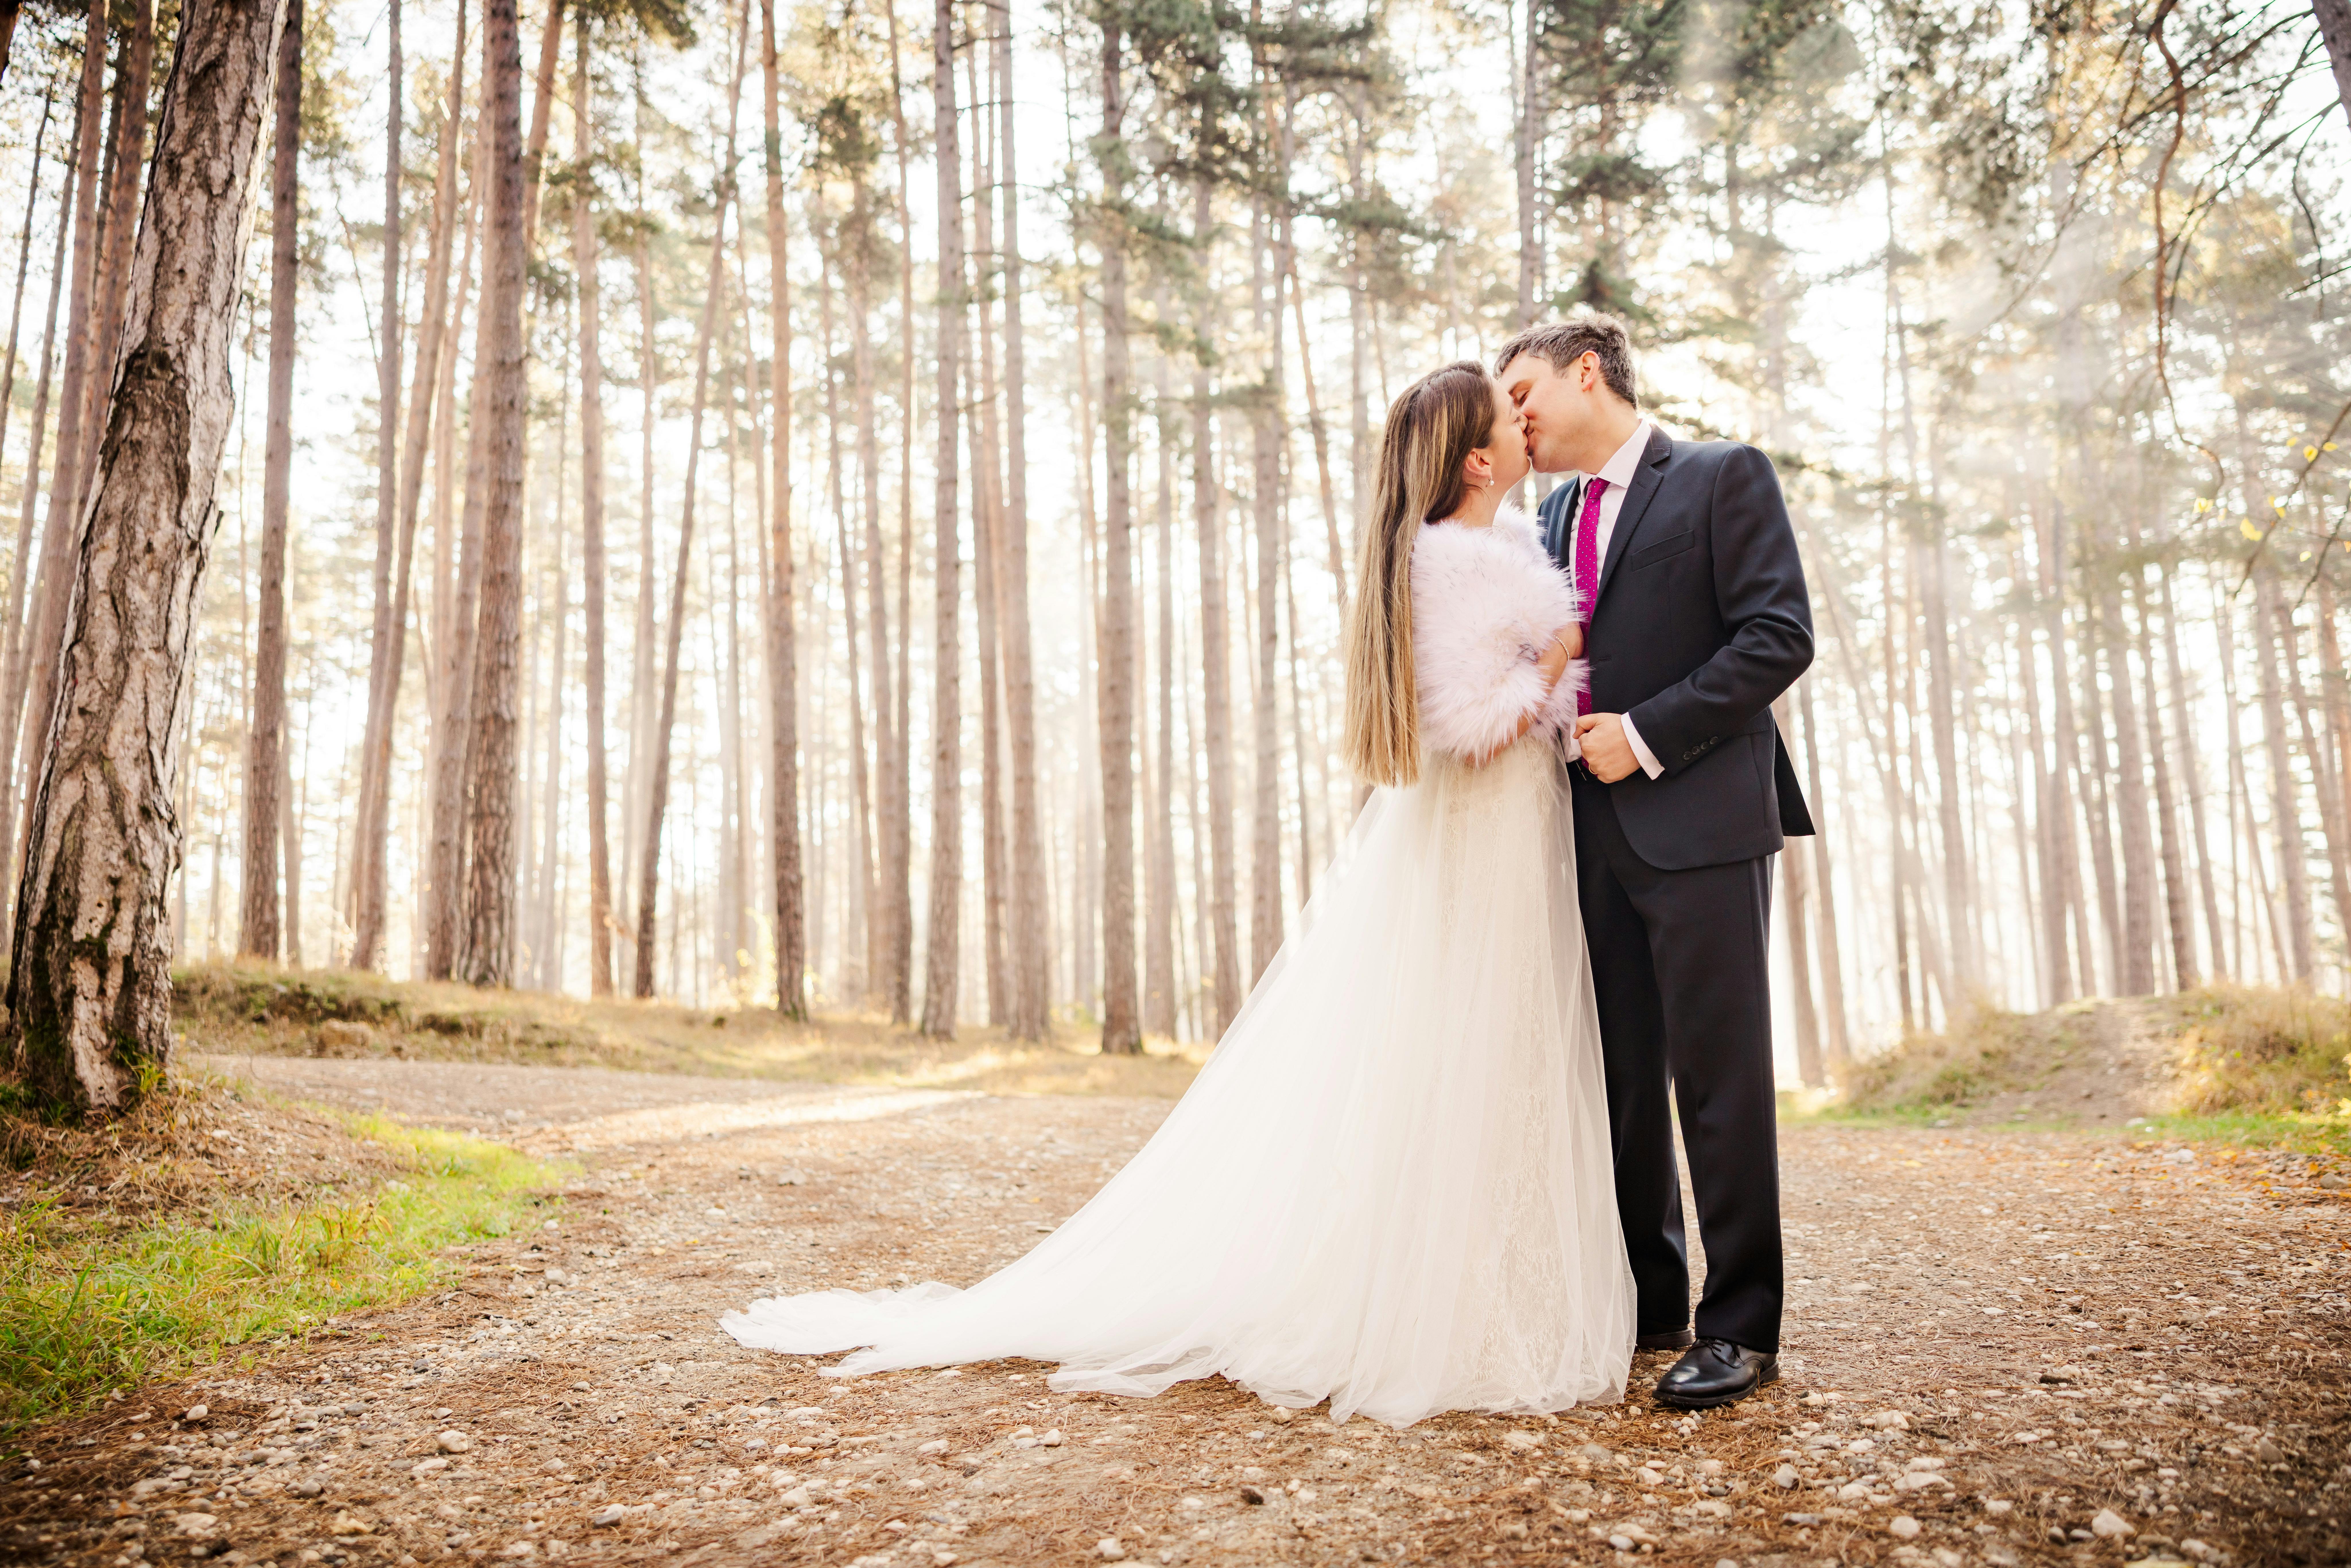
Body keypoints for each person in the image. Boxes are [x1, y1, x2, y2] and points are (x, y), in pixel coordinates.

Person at [719, 361, 1634, 1428]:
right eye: (1506, 421)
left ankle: (1498, 1288)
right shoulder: (1449, 562)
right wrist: (1562, 657)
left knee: (1504, 1054)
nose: (1528, 426)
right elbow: (1466, 724)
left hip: (1515, 842)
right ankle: (1436, 1311)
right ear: (1479, 461)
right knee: (1459, 1056)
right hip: (1478, 841)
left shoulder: (1505, 544)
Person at [1496, 315, 1815, 1410]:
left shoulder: (1725, 477)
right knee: (1622, 1081)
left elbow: (1777, 638)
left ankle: (1742, 1326)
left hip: (1704, 824)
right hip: (1585, 833)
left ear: (1590, 372)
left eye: (1526, 389)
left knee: (1718, 1080)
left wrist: (1645, 734)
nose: (1517, 415)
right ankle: (1650, 1300)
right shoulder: (1547, 514)